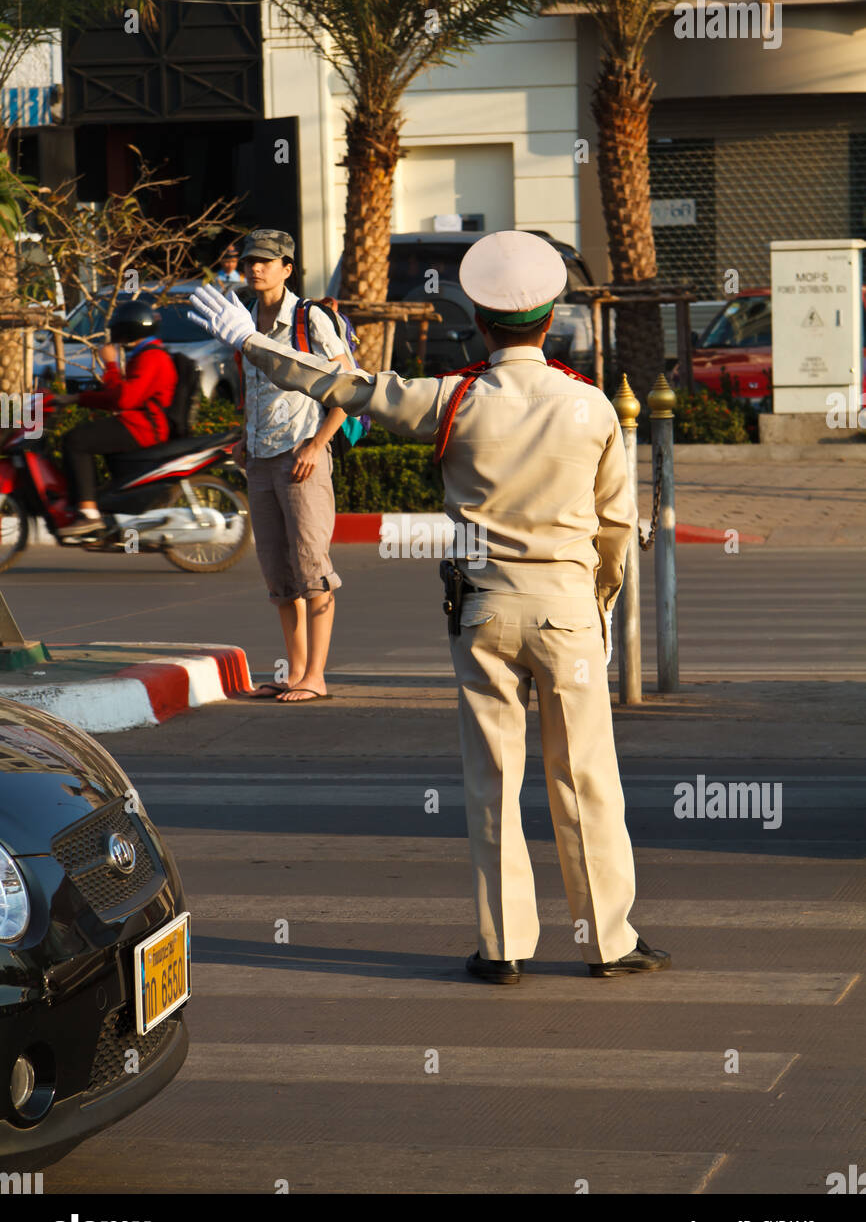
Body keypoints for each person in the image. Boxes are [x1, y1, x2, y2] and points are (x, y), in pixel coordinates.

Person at [189, 231, 672, 981]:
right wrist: (599, 605)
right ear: (551, 321)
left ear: (479, 322)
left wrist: (251, 342)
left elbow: (345, 387)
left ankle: (504, 946)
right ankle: (607, 943)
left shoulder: (454, 398)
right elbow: (614, 528)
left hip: (484, 611)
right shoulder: (591, 406)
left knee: (492, 782)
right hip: (569, 614)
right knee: (587, 782)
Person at [228, 227, 354, 703]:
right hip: (260, 459)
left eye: (266, 261)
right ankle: (295, 671)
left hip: (302, 457)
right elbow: (254, 389)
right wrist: (245, 438)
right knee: (278, 573)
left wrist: (317, 445)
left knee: (311, 565)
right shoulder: (243, 318)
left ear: (287, 268)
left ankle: (316, 676)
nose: (255, 268)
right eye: (249, 261)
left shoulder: (309, 318)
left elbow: (349, 387)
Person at [57, 299, 178, 538]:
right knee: (86, 438)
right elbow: (117, 397)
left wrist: (110, 364)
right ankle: (94, 503)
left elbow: (123, 400)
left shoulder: (152, 357)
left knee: (76, 440)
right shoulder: (146, 354)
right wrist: (75, 399)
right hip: (137, 424)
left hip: (143, 428)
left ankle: (89, 513)